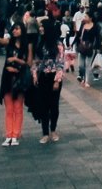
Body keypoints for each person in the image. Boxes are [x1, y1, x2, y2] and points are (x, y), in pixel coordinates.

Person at [30, 9, 66, 143]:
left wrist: (57, 80)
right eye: (39, 27)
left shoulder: (57, 45)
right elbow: (35, 61)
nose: (40, 29)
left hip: (53, 77)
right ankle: (45, 132)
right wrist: (34, 75)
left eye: (42, 27)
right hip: (42, 77)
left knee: (54, 105)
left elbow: (60, 63)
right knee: (43, 105)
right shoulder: (40, 44)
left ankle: (53, 130)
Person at [0, 22, 30, 146]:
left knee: (18, 108)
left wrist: (16, 61)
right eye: (13, 29)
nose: (15, 31)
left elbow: (28, 62)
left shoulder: (26, 45)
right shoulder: (10, 43)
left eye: (17, 29)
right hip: (7, 78)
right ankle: (9, 134)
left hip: (20, 79)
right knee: (9, 109)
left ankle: (16, 134)